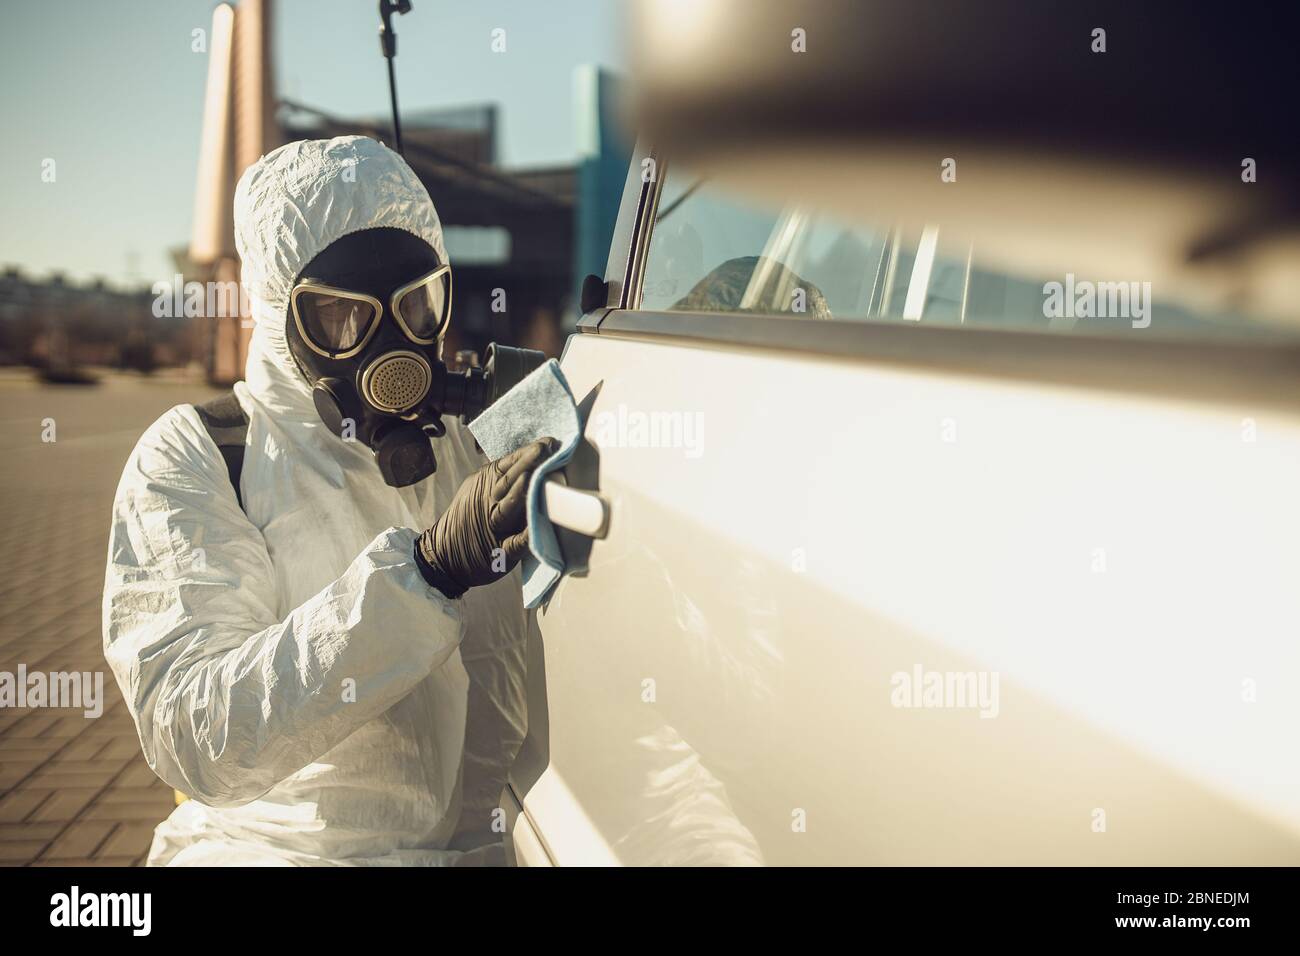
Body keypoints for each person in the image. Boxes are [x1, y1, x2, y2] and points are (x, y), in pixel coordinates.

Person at [102, 136, 550, 865]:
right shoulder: (203, 455)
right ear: (280, 321)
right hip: (277, 853)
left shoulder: (476, 438)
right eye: (340, 317)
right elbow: (194, 731)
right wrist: (425, 575)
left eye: (417, 307)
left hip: (485, 848)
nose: (391, 349)